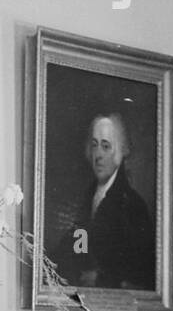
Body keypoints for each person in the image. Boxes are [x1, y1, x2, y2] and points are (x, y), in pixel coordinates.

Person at [52, 112, 156, 290]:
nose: (98, 154)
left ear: (120, 152)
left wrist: (101, 278)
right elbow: (78, 245)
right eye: (95, 145)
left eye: (106, 146)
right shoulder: (87, 198)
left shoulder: (133, 205)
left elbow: (141, 272)